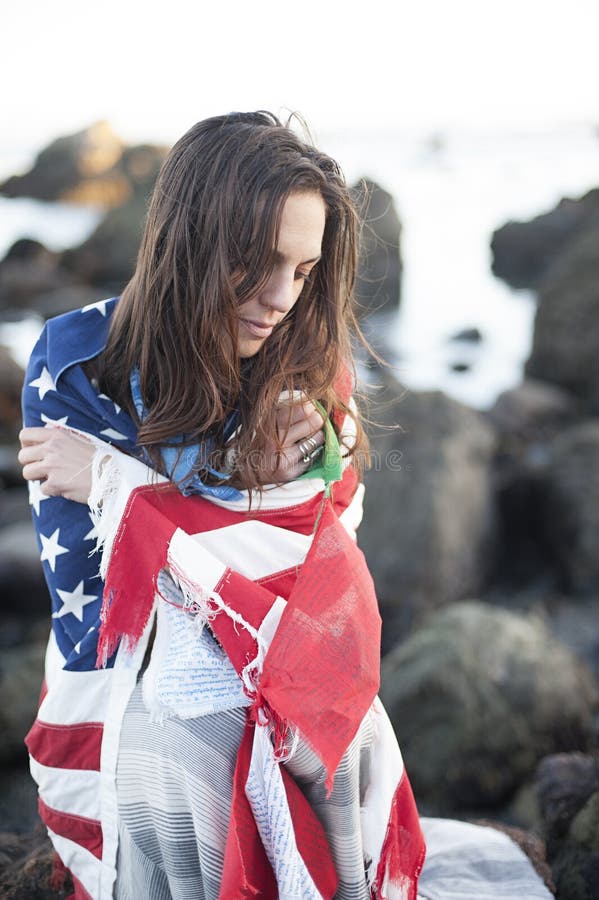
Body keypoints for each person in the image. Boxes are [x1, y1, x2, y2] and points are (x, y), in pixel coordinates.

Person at [18, 111, 425, 900]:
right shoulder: (78, 367)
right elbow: (109, 609)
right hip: (134, 676)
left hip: (289, 649)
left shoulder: (308, 363)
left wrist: (138, 483)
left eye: (304, 271)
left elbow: (324, 572)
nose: (281, 298)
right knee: (176, 745)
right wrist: (236, 502)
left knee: (346, 745)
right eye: (257, 262)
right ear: (189, 237)